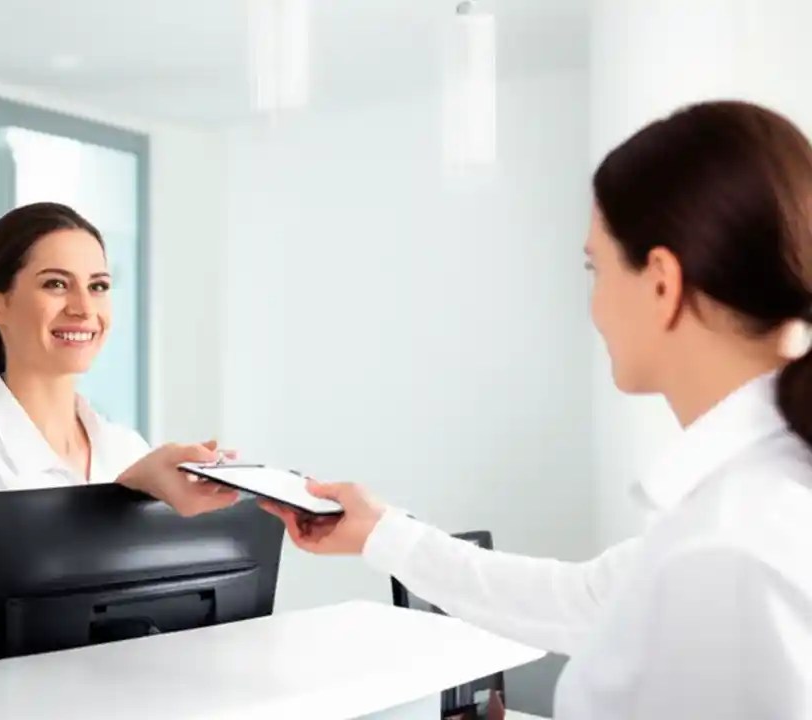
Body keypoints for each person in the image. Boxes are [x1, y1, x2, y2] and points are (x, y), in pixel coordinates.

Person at [263, 100, 812, 719]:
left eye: (594, 268)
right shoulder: (750, 504)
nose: (595, 305)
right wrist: (383, 532)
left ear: (661, 282)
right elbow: (581, 600)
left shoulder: (729, 553)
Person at [0, 202, 236, 625]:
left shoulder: (126, 447)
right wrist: (129, 489)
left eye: (99, 286)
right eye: (55, 284)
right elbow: (21, 600)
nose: (84, 308)